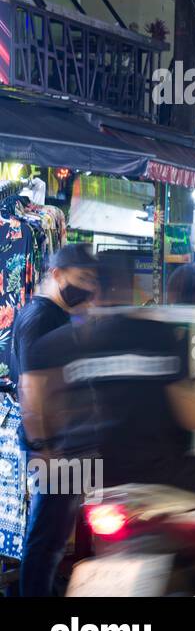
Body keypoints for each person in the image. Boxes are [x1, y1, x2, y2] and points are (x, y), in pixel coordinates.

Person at [22, 265, 195, 587]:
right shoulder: (160, 335)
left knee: (45, 540)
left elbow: (35, 396)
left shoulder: (66, 336)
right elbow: (193, 416)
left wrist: (45, 448)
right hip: (151, 469)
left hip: (82, 467)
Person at [13, 243, 98, 597]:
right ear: (57, 275)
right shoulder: (40, 318)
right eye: (82, 279)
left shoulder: (60, 316)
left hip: (70, 441)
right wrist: (43, 446)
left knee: (59, 533)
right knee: (48, 537)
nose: (88, 288)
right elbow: (31, 390)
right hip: (55, 443)